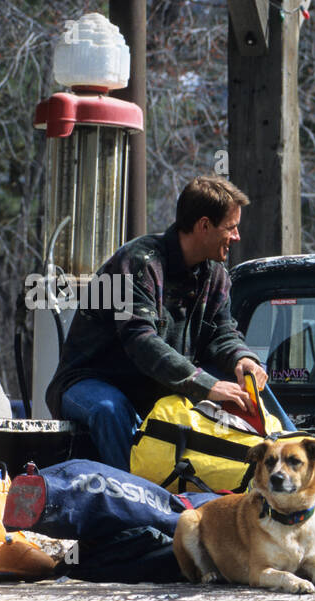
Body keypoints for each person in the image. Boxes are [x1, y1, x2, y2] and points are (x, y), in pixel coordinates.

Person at [46, 176, 268, 469]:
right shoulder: (135, 264)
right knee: (110, 410)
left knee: (247, 384)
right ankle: (138, 502)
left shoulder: (216, 274)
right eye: (230, 227)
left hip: (157, 384)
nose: (237, 236)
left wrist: (244, 360)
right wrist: (203, 384)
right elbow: (141, 340)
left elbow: (222, 332)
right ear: (204, 226)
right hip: (91, 380)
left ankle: (286, 459)